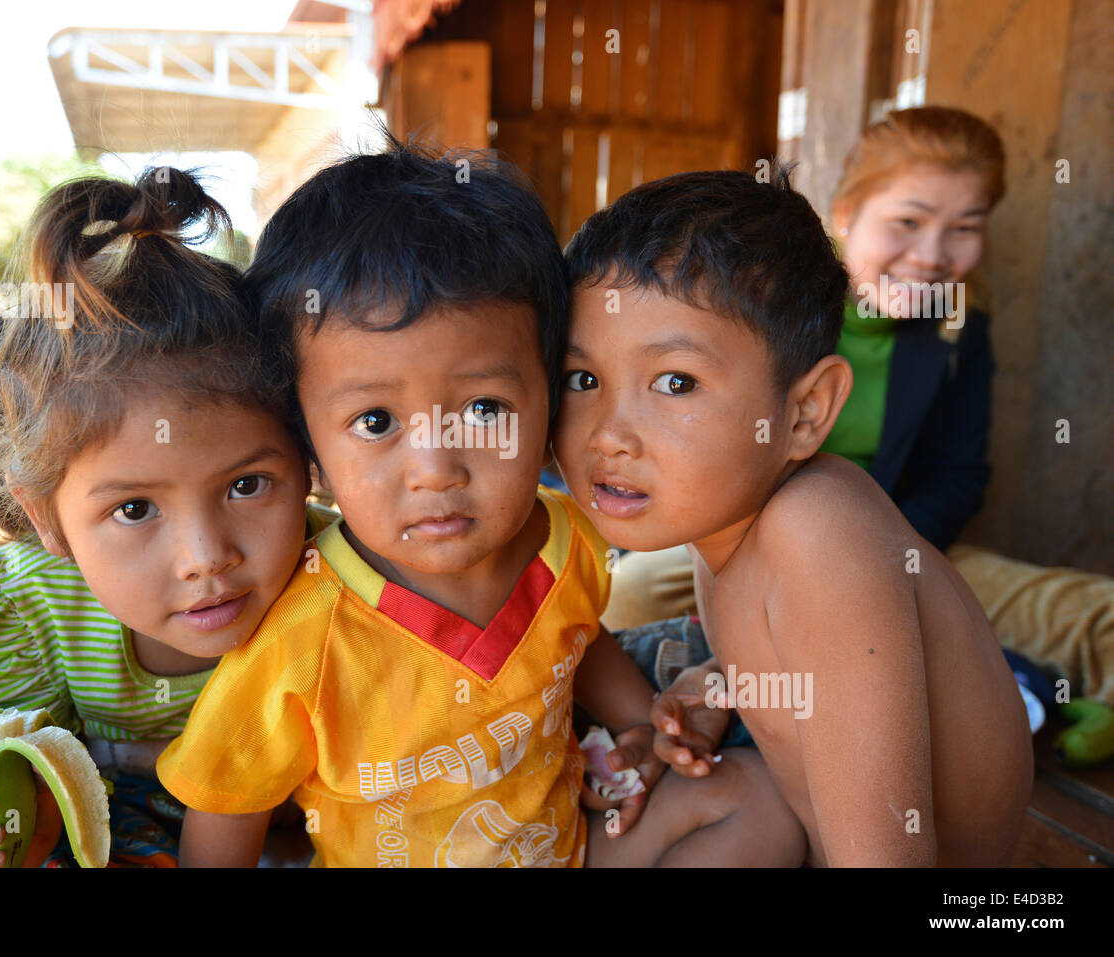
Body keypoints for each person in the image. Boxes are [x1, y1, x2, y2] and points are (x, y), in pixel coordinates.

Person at [157, 138, 805, 868]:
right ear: (308, 449)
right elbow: (223, 814)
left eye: (486, 408)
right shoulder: (298, 640)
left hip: (574, 848)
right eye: (376, 422)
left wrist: (635, 723)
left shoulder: (566, 539)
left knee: (759, 802)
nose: (435, 469)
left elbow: (576, 639)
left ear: (550, 396)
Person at [0, 167, 327, 867]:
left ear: (308, 461)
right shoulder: (24, 609)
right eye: (134, 507)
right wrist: (2, 812)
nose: (205, 556)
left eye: (247, 484)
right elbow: (16, 784)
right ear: (48, 520)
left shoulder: (341, 581)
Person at [552, 166, 1033, 865]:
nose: (608, 434)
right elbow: (817, 664)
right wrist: (719, 685)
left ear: (804, 412)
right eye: (583, 379)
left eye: (675, 382)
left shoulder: (818, 530)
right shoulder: (725, 516)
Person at [601, 106, 1114, 712]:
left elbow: (958, 477)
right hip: (730, 544)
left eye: (965, 228)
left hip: (900, 547)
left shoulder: (958, 331)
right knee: (621, 595)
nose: (932, 254)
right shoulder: (771, 311)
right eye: (908, 221)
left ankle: (1026, 686)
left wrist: (871, 554)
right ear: (845, 214)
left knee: (1099, 616)